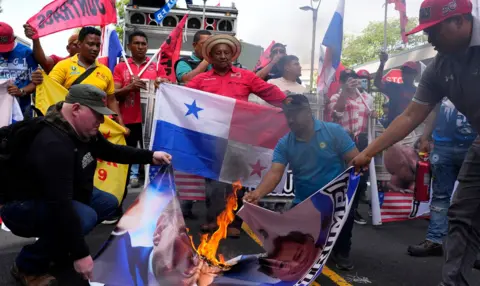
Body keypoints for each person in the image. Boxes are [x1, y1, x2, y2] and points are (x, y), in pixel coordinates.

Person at [350, 0, 480, 284]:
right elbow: (410, 116)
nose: (428, 38)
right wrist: (368, 153)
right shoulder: (438, 67)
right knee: (462, 213)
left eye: (433, 30)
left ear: (459, 21)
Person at [0, 84, 172, 285]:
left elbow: (112, 151)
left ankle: (59, 247)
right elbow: (60, 205)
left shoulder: (81, 131)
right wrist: (81, 254)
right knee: (83, 217)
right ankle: (27, 265)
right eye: (97, 114)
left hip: (57, 196)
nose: (102, 120)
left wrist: (151, 156)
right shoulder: (53, 144)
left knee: (107, 202)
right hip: (22, 206)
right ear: (76, 109)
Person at [186, 34, 286, 237]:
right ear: (211, 57)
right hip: (211, 137)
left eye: (226, 53)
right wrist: (163, 87)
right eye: (218, 53)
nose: (223, 56)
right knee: (212, 180)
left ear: (232, 55)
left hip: (239, 136)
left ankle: (235, 222)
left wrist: (290, 104)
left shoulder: (246, 76)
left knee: (237, 181)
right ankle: (212, 219)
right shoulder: (202, 78)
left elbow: (268, 91)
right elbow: (183, 96)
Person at [244, 94, 359, 270]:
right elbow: (275, 174)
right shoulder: (284, 143)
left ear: (307, 112)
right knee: (291, 256)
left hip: (335, 201)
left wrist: (350, 182)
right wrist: (256, 194)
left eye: (294, 114)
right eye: (287, 114)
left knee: (346, 217)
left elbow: (354, 160)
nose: (290, 119)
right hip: (304, 204)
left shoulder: (334, 131)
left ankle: (342, 251)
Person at [408, 99, 475, 257]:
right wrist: (425, 138)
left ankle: (474, 248)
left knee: (474, 198)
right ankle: (435, 240)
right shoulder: (444, 80)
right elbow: (434, 109)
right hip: (443, 146)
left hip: (473, 145)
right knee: (440, 195)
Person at [113, 30, 169, 194]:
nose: (140, 47)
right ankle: (118, 204)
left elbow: (168, 86)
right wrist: (129, 87)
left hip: (151, 122)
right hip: (128, 122)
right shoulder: (121, 67)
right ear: (129, 46)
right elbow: (113, 95)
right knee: (124, 162)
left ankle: (153, 204)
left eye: (143, 44)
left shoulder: (156, 66)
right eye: (136, 43)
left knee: (155, 160)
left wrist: (162, 83)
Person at [46, 26, 125, 128]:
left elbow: (111, 100)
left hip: (97, 127)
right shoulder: (63, 66)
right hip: (69, 126)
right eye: (90, 44)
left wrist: (121, 124)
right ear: (79, 44)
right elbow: (50, 88)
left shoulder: (106, 71)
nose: (95, 49)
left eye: (98, 45)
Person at [329, 69, 374, 225]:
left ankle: (352, 210)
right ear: (342, 82)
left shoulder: (367, 98)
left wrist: (373, 116)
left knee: (361, 177)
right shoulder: (337, 97)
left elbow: (370, 120)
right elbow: (336, 113)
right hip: (343, 139)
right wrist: (345, 92)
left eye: (353, 78)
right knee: (342, 175)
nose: (351, 81)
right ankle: (338, 210)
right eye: (347, 79)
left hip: (361, 140)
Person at [0, 22, 38, 114]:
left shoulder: (26, 52)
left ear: (14, 39)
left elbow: (36, 82)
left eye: (6, 47)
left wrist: (21, 91)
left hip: (22, 110)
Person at [374, 53, 419, 128]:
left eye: (409, 72)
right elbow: (377, 83)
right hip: (393, 127)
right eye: (404, 72)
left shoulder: (418, 92)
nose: (405, 75)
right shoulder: (394, 87)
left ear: (415, 74)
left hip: (411, 128)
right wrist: (382, 63)